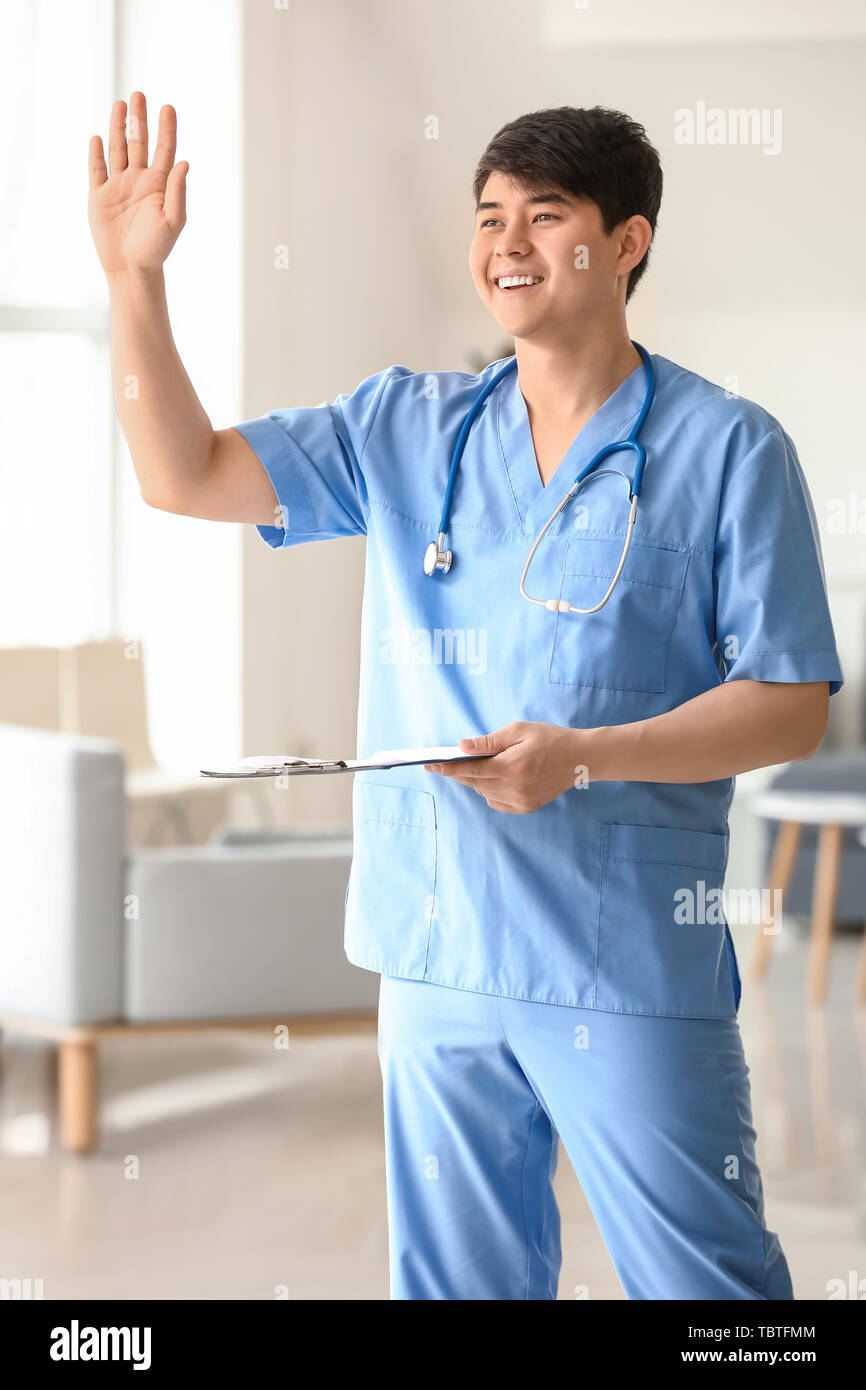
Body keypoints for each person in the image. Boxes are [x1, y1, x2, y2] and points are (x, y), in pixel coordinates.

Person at [89, 96, 843, 1301]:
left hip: (624, 967)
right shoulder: (405, 426)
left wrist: (581, 754)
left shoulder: (727, 449)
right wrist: (135, 281)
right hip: (436, 957)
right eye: (488, 217)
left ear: (627, 241)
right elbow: (184, 474)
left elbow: (789, 702)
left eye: (544, 216)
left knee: (713, 1296)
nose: (506, 244)